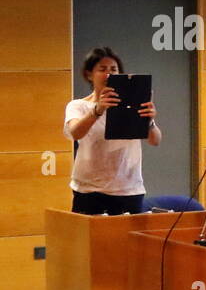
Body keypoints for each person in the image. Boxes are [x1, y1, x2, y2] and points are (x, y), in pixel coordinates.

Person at [64, 47, 160, 215]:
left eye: (114, 70)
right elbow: (75, 133)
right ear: (89, 75)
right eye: (102, 69)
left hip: (128, 189)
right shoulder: (78, 106)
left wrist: (150, 120)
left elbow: (155, 141)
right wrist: (98, 109)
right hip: (89, 191)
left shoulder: (133, 105)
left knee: (128, 240)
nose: (109, 74)